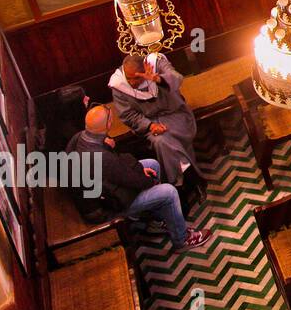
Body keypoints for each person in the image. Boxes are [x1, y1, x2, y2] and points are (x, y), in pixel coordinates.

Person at [67, 104, 211, 251]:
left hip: (101, 191)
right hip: (104, 209)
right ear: (108, 124)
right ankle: (182, 240)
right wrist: (149, 180)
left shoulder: (79, 138)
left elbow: (117, 169)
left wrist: (136, 169)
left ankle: (157, 221)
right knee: (169, 192)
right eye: (110, 116)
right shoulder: (102, 157)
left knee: (152, 164)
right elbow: (132, 179)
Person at [108, 51, 201, 188]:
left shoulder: (156, 63)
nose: (132, 83)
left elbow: (177, 78)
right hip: (148, 122)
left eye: (137, 78)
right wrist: (150, 125)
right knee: (161, 141)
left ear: (145, 68)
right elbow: (128, 115)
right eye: (129, 78)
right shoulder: (118, 84)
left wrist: (157, 79)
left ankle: (178, 183)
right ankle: (184, 181)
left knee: (168, 140)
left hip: (174, 114)